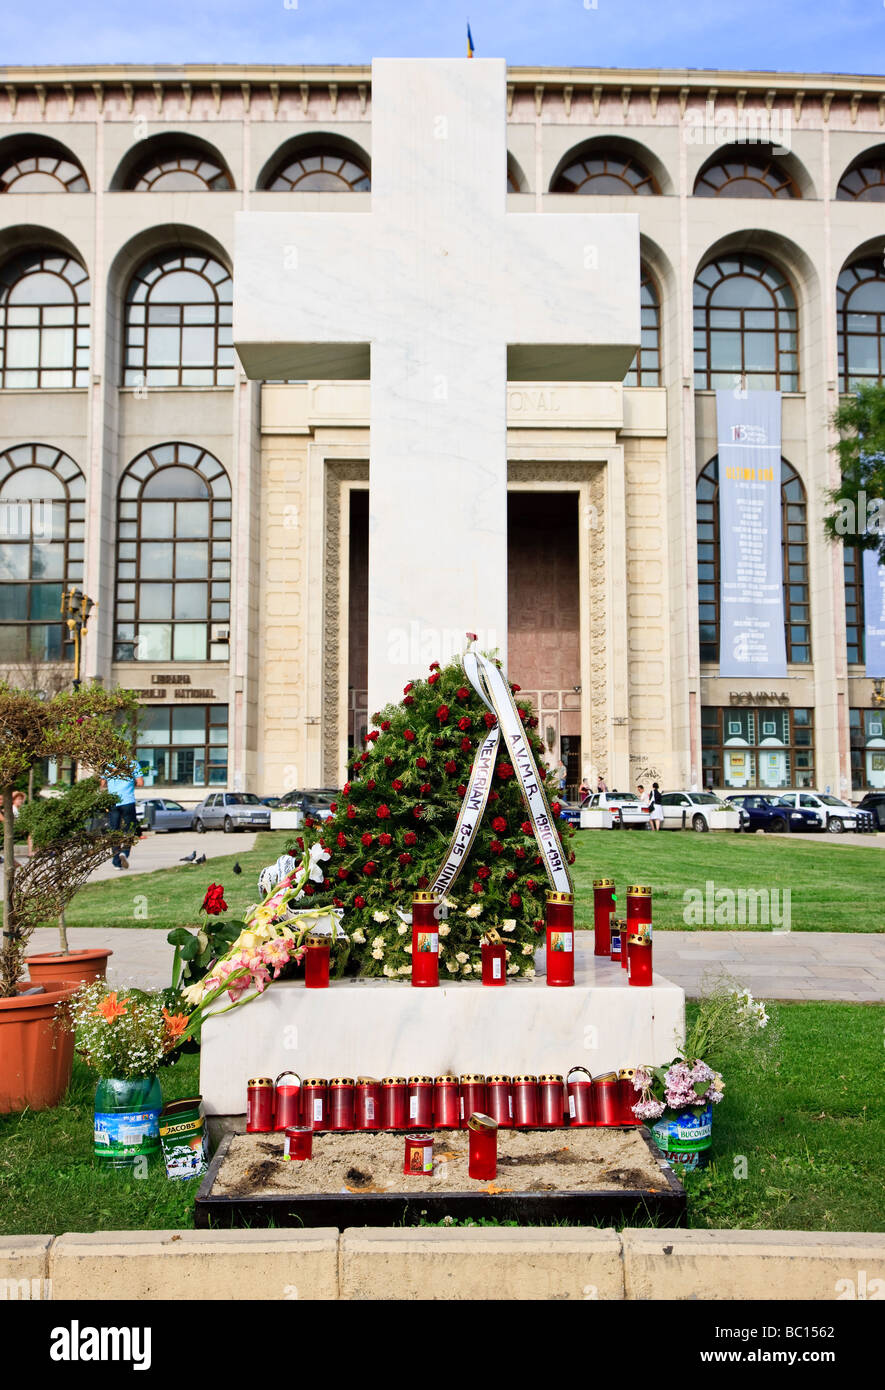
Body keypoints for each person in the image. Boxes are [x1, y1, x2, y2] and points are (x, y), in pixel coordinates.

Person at [100, 758, 143, 869]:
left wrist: (112, 785)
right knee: (130, 829)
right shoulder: (133, 764)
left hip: (113, 802)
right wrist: (130, 784)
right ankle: (125, 852)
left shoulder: (109, 764)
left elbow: (102, 784)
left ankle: (116, 862)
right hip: (128, 801)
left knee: (114, 831)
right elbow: (140, 783)